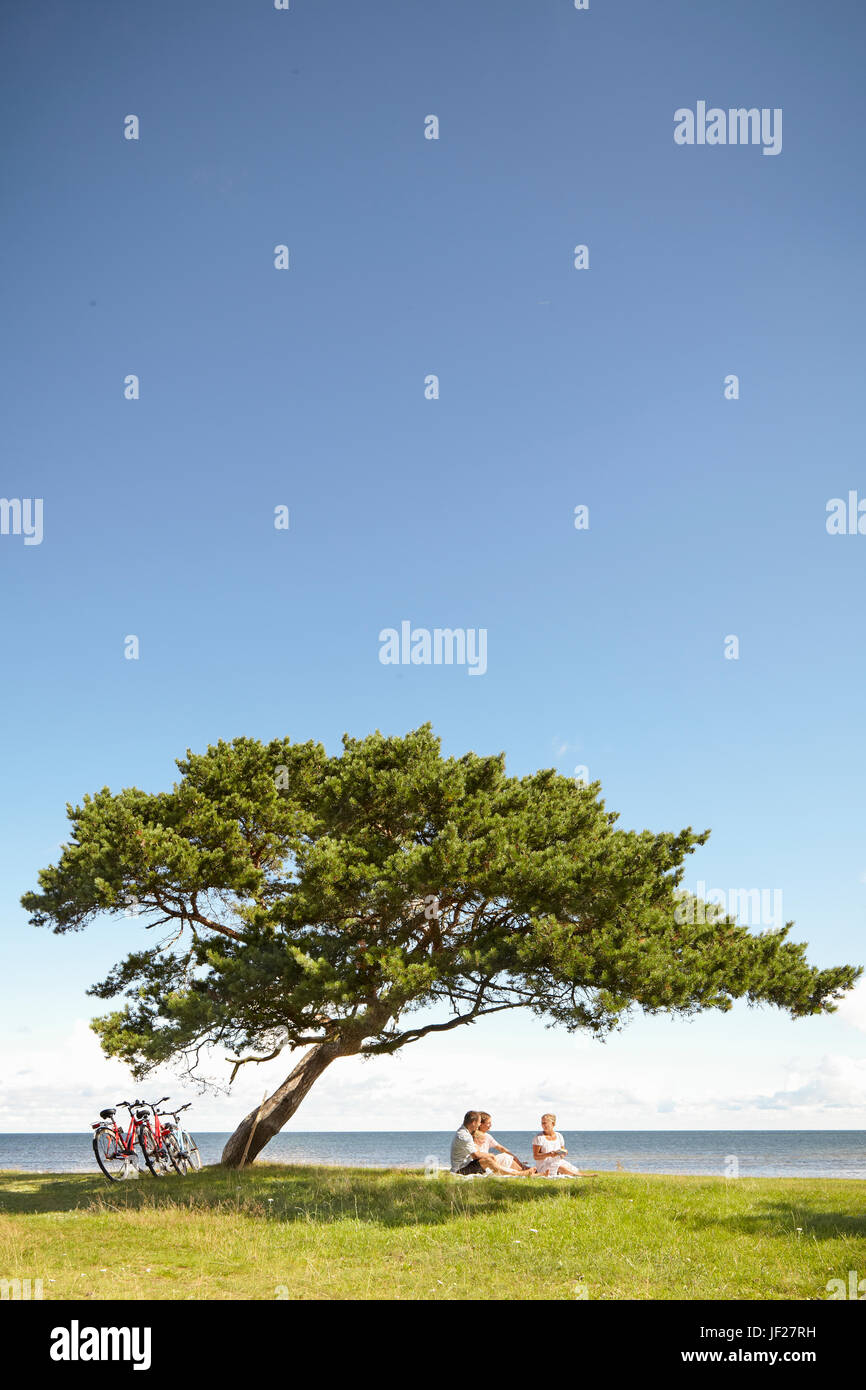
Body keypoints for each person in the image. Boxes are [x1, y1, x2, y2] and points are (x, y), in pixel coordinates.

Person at [450, 1111, 535, 1177]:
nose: (479, 1125)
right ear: (473, 1122)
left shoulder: (465, 1132)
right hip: (461, 1170)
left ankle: (520, 1172)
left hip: (467, 1165)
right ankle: (518, 1174)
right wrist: (490, 1155)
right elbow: (475, 1155)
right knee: (488, 1160)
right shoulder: (464, 1136)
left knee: (496, 1159)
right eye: (479, 1122)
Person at [532, 1113, 581, 1177]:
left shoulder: (559, 1136)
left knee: (573, 1169)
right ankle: (583, 1176)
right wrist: (549, 1154)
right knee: (560, 1168)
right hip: (544, 1165)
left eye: (545, 1123)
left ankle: (577, 1174)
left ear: (553, 1124)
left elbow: (562, 1152)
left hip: (558, 1162)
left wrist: (563, 1153)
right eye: (542, 1123)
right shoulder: (539, 1137)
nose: (543, 1125)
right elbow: (535, 1156)